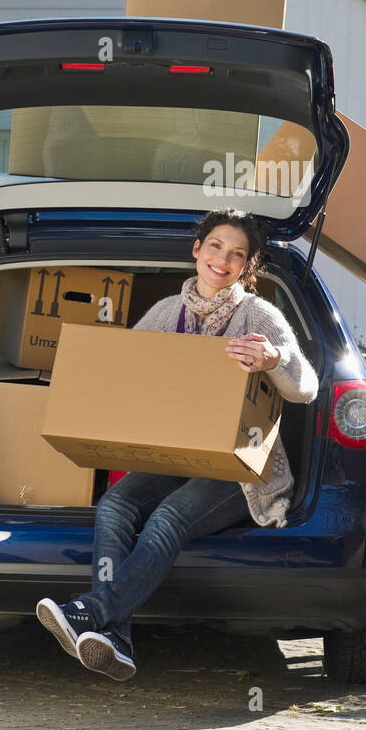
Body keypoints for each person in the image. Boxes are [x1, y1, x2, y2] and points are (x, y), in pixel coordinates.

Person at [36, 209, 319, 680]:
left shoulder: (258, 315)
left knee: (168, 516)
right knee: (114, 506)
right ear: (197, 249)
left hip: (241, 470)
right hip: (179, 458)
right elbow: (127, 371)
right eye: (215, 247)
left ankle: (90, 611)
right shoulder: (167, 312)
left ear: (246, 265)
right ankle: (116, 637)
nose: (222, 260)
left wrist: (274, 358)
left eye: (236, 254)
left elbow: (305, 386)